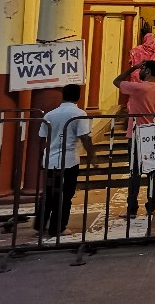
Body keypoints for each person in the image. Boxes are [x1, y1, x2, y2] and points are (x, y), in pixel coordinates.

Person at [34, 84, 97, 237]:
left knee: (48, 193)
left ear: (63, 95)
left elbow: (42, 138)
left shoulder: (50, 114)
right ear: (78, 96)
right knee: (65, 194)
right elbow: (84, 136)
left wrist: (41, 158)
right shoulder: (79, 113)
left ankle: (40, 225)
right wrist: (92, 156)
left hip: (50, 160)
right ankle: (58, 227)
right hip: (68, 161)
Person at [113, 60, 155, 218]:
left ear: (149, 71)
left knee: (135, 173)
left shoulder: (137, 87)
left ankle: (132, 209)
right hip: (154, 134)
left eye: (143, 68)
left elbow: (116, 81)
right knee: (153, 172)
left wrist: (133, 67)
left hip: (137, 134)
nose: (140, 70)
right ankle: (151, 206)